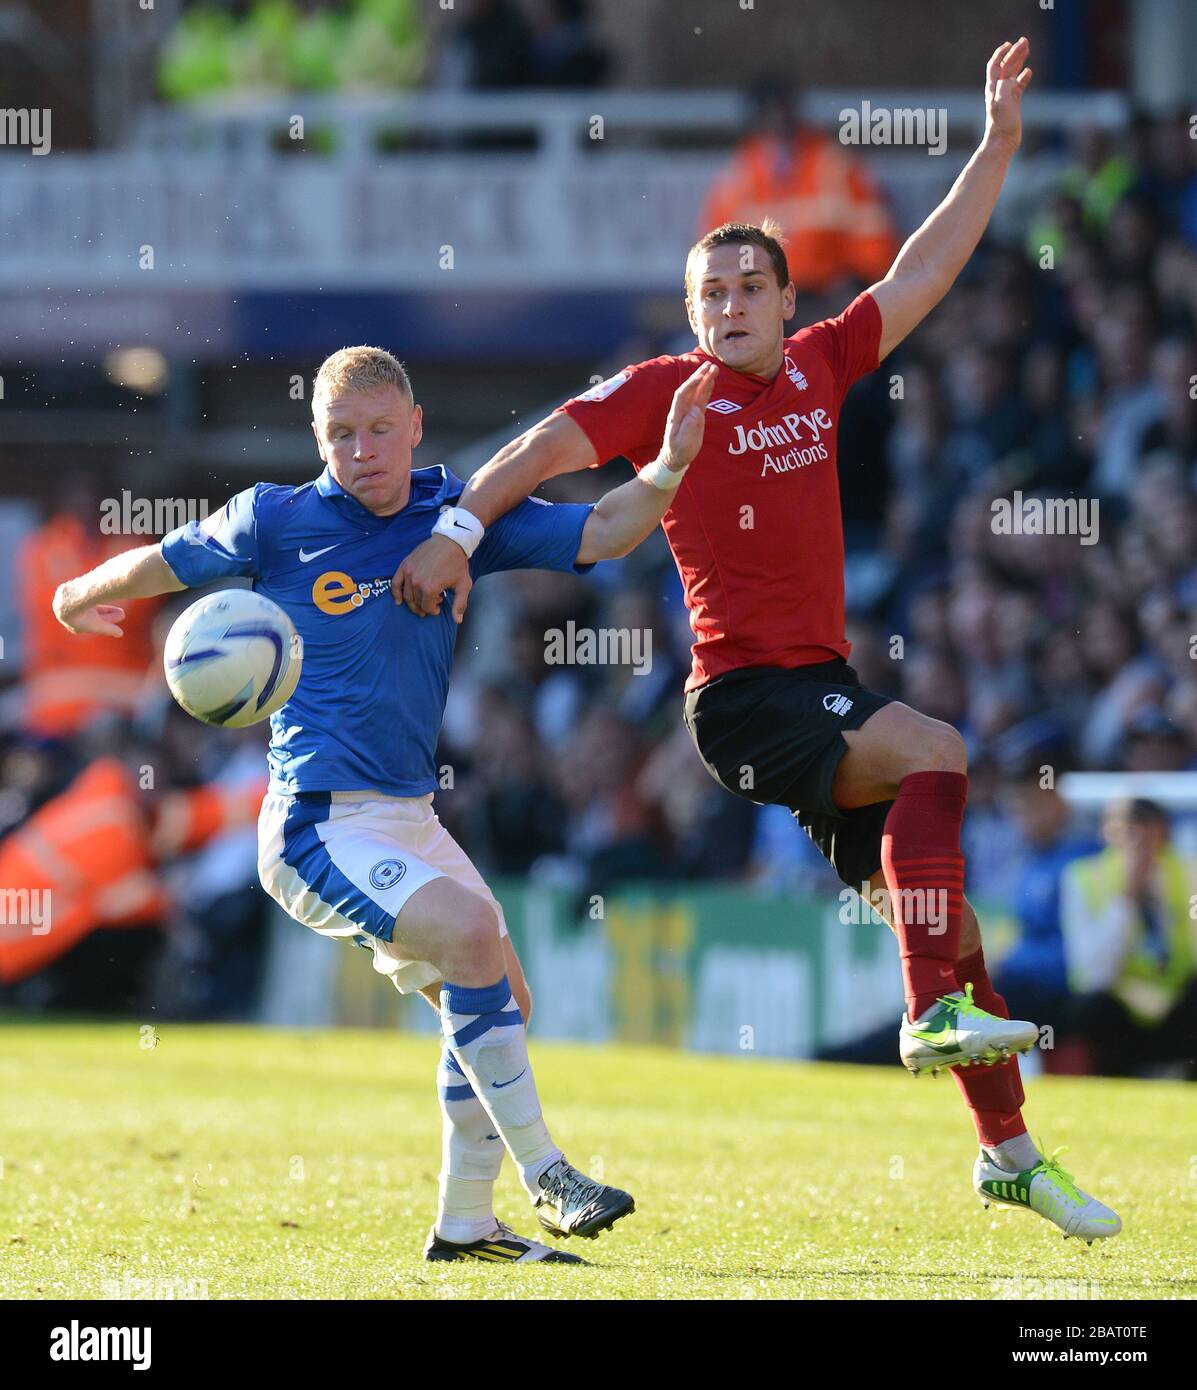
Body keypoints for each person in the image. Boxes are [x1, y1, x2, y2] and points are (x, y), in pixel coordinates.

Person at [394, 39, 1122, 1244]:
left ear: (791, 300)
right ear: (692, 315)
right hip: (739, 701)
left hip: (817, 690)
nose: (729, 307)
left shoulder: (825, 361)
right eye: (710, 293)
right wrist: (464, 526)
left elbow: (927, 266)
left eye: (748, 288)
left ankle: (1011, 1154)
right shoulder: (668, 391)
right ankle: (929, 1016)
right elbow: (537, 448)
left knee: (955, 931)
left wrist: (994, 147)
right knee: (938, 749)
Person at [51, 344, 718, 1265]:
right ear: (316, 438)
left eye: (376, 430)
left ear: (413, 428)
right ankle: (550, 1175)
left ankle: (465, 1227)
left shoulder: (457, 516)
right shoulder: (275, 520)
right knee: (473, 941)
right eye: (338, 435)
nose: (360, 451)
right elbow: (169, 561)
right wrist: (81, 590)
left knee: (499, 996)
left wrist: (671, 464)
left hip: (407, 814)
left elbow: (605, 529)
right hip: (314, 822)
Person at [1062, 799, 1197, 1079]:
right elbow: (1094, 975)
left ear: (1163, 834)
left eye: (1147, 833)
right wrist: (1127, 899)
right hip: (1121, 1007)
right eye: (1128, 832)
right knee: (1092, 1005)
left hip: (1177, 1003)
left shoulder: (1188, 873)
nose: (1138, 845)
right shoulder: (1083, 878)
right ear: (1106, 833)